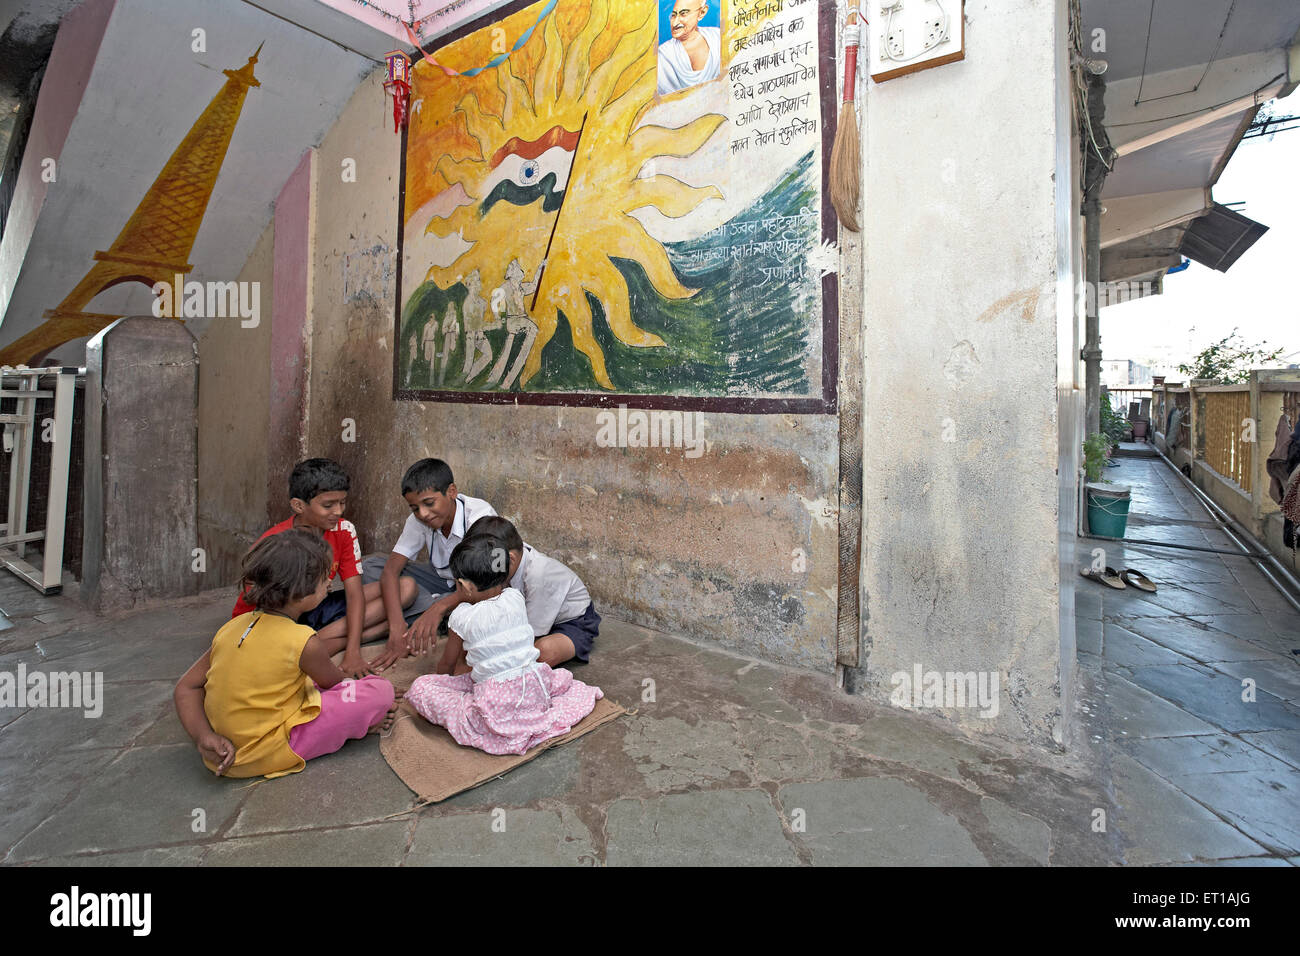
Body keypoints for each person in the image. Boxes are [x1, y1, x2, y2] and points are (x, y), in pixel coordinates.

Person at [175, 530, 397, 779]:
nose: (329, 584)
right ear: (301, 592)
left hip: (220, 755)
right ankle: (361, 724)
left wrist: (204, 737)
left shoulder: (231, 629)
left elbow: (185, 688)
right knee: (380, 692)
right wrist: (364, 689)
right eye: (325, 578)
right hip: (274, 749)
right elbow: (336, 684)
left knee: (299, 680)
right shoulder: (303, 640)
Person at [405, 535, 603, 755]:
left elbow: (447, 666)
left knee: (422, 688)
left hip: (496, 709)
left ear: (463, 585)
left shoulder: (461, 617)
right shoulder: (515, 597)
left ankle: (493, 724)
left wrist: (441, 684)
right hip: (535, 689)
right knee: (517, 675)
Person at [231, 458, 416, 678]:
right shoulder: (276, 542)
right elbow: (260, 605)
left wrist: (353, 653)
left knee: (406, 587)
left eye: (342, 502)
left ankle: (323, 639)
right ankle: (317, 642)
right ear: (299, 505)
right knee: (280, 652)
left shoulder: (344, 530)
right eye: (328, 505)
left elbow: (354, 594)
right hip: (274, 618)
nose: (338, 511)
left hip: (314, 605)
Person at [360, 458, 497, 670]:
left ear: (451, 491)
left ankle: (433, 612)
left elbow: (485, 584)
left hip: (473, 589)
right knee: (372, 567)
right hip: (440, 584)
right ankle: (425, 615)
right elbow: (390, 572)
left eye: (429, 503)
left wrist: (438, 608)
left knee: (479, 603)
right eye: (415, 508)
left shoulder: (479, 516)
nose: (423, 514)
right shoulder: (418, 521)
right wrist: (397, 628)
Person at [455, 515, 598, 669]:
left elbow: (528, 635)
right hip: (531, 617)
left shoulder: (537, 575)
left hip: (573, 621)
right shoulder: (506, 558)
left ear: (511, 558)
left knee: (541, 653)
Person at [657, 0, 721, 96]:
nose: (675, 23)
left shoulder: (717, 37)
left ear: (702, 13)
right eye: (673, 15)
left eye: (683, 14)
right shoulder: (664, 54)